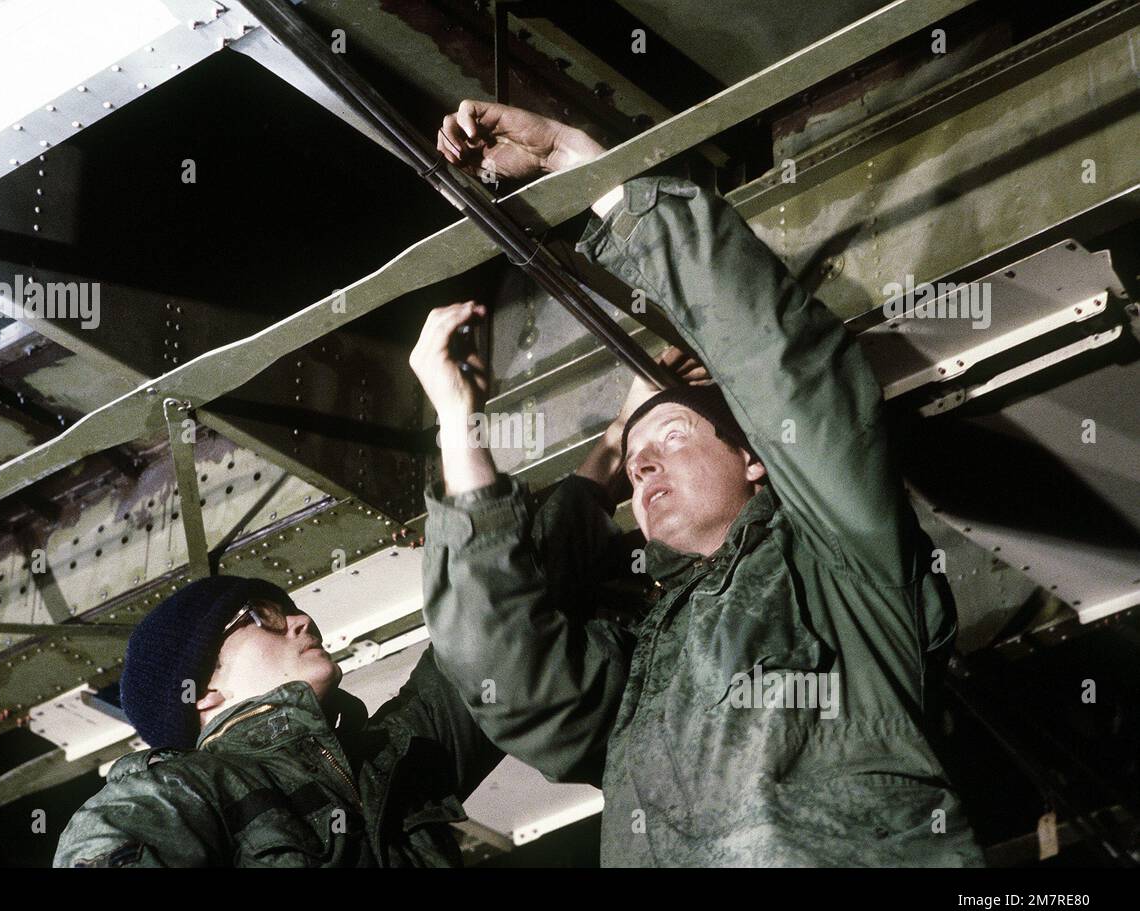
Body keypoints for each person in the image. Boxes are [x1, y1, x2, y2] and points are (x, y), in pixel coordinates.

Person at [411, 99, 985, 866]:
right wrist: (457, 423)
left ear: (756, 457)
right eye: (635, 455)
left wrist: (580, 160)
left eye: (673, 436)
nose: (642, 464)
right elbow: (500, 670)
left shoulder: (841, 568)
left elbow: (779, 362)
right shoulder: (635, 670)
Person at [53, 575, 501, 867]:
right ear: (203, 690)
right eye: (262, 618)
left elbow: (493, 631)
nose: (303, 620)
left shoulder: (395, 757)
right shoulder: (171, 793)